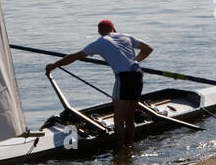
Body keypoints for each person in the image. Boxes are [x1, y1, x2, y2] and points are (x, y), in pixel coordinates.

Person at [46, 20, 153, 150]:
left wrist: (54, 65)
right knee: (129, 117)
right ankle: (129, 146)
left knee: (118, 118)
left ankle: (120, 150)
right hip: (137, 75)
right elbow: (148, 49)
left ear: (99, 32)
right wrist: (134, 60)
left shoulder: (100, 43)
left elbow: (74, 56)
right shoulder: (126, 36)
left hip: (124, 78)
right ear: (114, 29)